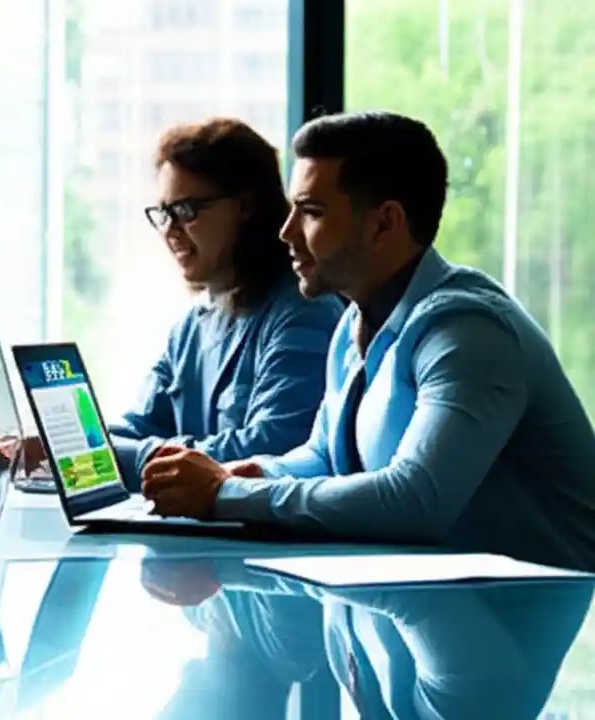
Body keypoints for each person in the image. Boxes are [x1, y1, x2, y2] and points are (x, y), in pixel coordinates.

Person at [141, 110, 595, 571]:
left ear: (384, 223)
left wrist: (227, 494)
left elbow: (415, 500)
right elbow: (322, 456)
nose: (286, 231)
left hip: (557, 622)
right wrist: (248, 474)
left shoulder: (469, 333)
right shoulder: (353, 321)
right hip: (442, 609)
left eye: (311, 212)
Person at [94, 118, 343, 488]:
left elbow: (269, 449)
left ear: (245, 206)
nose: (171, 231)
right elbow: (139, 425)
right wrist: (74, 448)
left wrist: (116, 457)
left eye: (186, 211)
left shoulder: (304, 313)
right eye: (163, 214)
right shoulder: (191, 328)